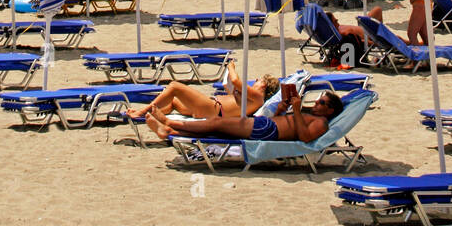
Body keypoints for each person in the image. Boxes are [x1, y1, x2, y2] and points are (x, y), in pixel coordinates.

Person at [145, 87, 343, 145]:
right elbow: (287, 123)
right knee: (219, 130)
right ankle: (169, 131)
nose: (316, 104)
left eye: (322, 103)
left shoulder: (322, 123)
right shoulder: (309, 115)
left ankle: (171, 122)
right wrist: (282, 110)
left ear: (330, 110)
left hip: (267, 130)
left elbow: (305, 137)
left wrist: (297, 111)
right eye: (318, 101)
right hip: (266, 124)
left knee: (216, 123)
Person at [127, 63, 278, 121]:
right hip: (210, 108)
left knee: (174, 86)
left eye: (259, 80)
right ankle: (150, 114)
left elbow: (237, 81)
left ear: (264, 85)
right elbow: (234, 92)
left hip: (213, 109)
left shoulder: (258, 96)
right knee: (173, 102)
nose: (256, 80)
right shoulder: (252, 98)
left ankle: (141, 112)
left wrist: (231, 67)